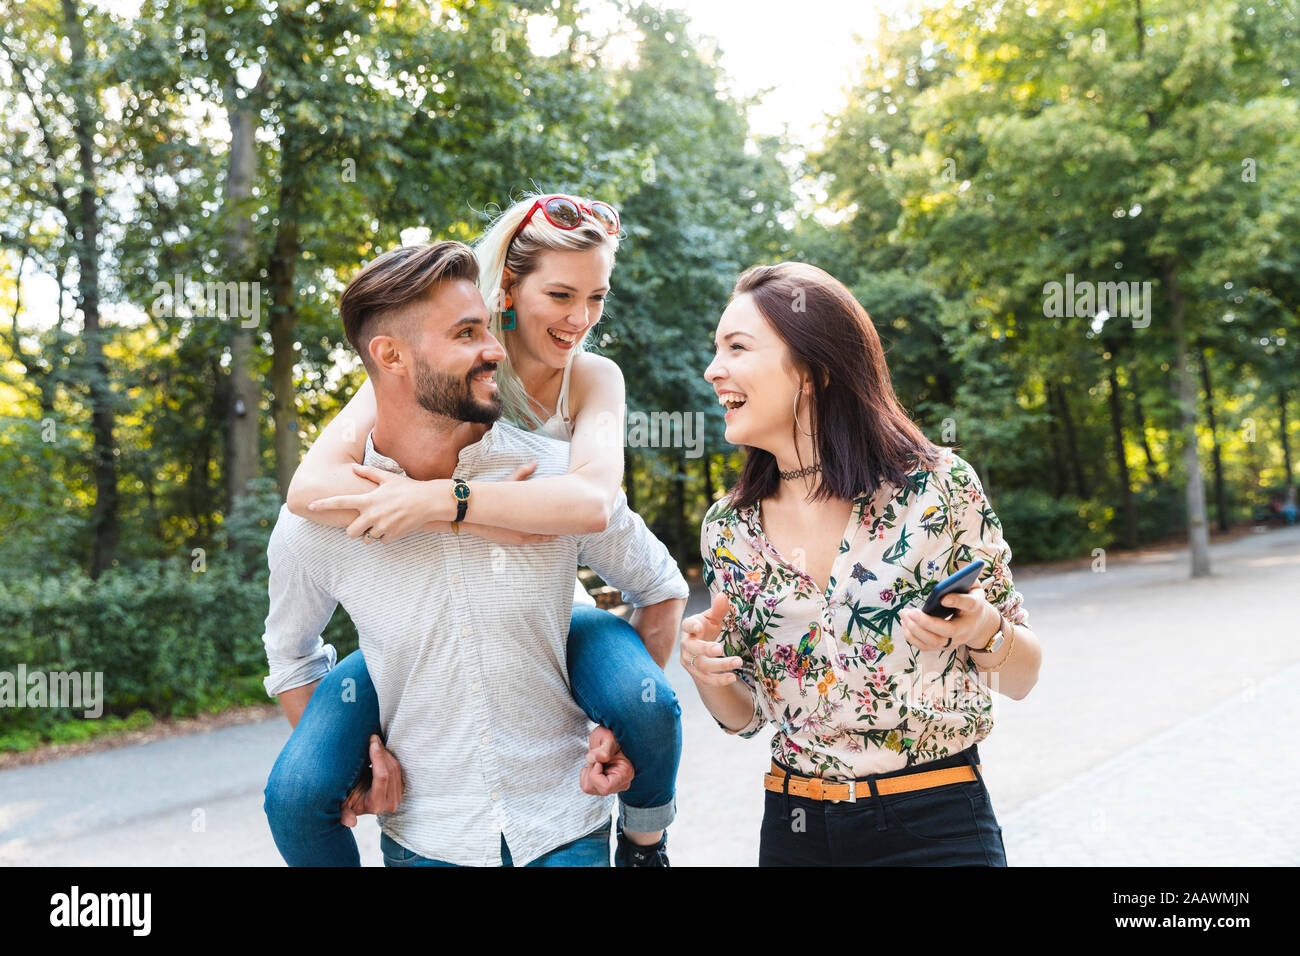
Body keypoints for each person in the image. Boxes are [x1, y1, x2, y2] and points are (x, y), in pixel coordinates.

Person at [269, 194, 683, 866]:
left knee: (649, 707)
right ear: (509, 292)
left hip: (557, 642)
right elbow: (308, 494)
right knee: (296, 793)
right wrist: (360, 771)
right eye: (561, 295)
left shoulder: (588, 386)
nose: (580, 318)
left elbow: (592, 505)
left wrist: (451, 502)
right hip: (425, 802)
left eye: (597, 297)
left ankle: (648, 843)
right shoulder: (382, 413)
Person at [680, 261, 1043, 866]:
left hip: (938, 821)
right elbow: (747, 720)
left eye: (737, 347)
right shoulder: (728, 529)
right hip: (796, 830)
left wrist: (981, 629)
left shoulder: (938, 488)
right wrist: (706, 673)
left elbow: (1022, 678)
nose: (713, 370)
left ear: (814, 371)